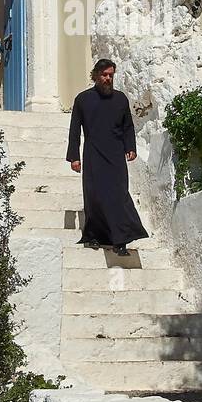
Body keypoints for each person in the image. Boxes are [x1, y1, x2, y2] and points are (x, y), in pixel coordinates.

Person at [65, 59, 149, 256]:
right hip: (93, 153)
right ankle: (94, 235)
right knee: (94, 195)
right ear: (95, 76)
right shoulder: (83, 99)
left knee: (119, 195)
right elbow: (75, 130)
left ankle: (120, 240)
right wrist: (74, 157)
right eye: (104, 75)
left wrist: (131, 147)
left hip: (115, 154)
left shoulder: (121, 99)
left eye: (111, 75)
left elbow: (127, 126)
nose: (108, 79)